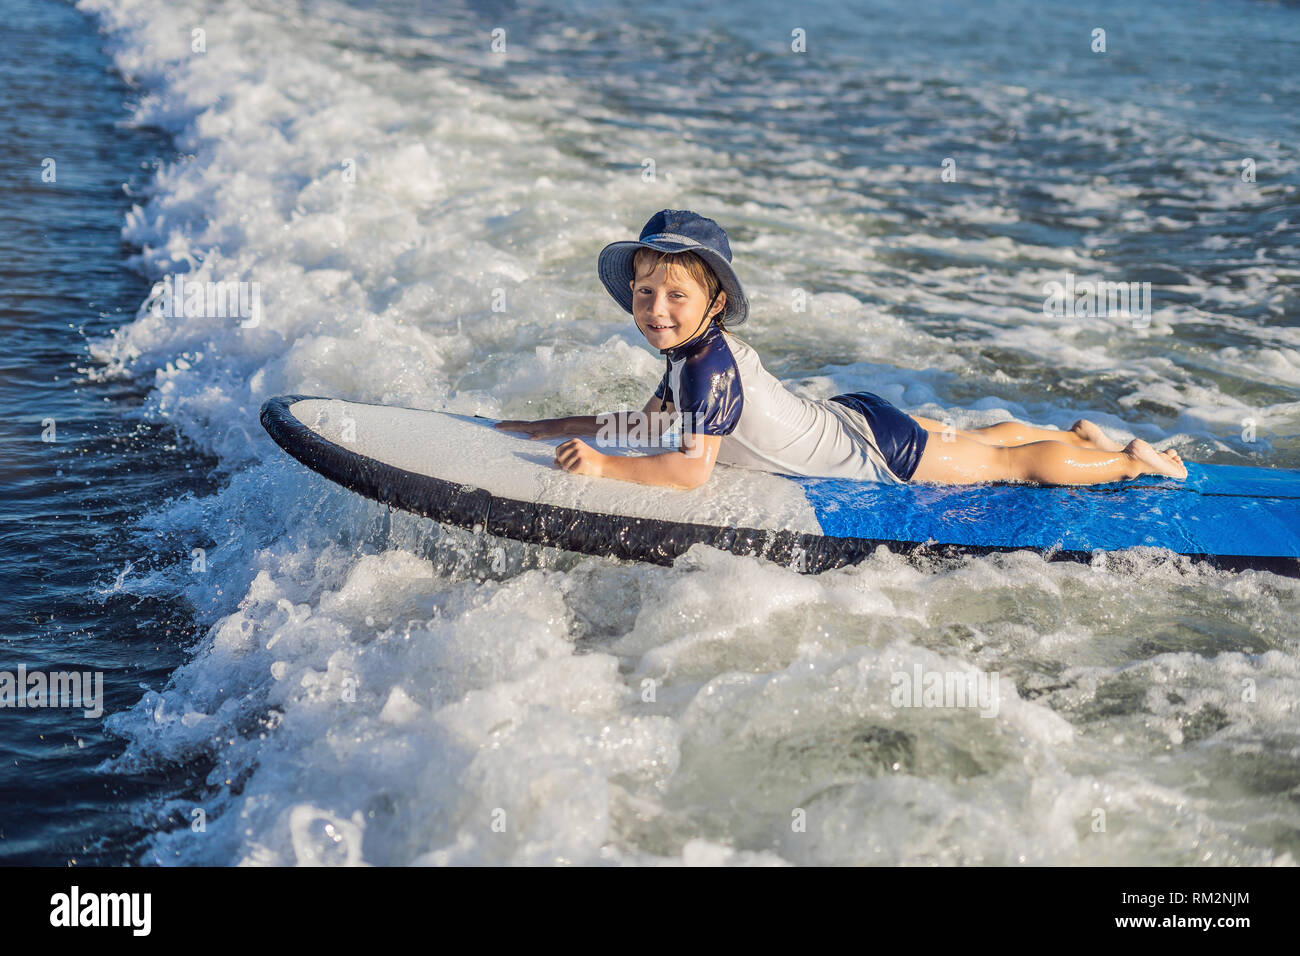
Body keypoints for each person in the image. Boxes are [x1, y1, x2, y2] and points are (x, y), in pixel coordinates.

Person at [494, 209, 1187, 490]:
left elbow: (688, 474)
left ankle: (1124, 459)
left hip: (876, 449)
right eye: (646, 294)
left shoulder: (706, 367)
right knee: (981, 440)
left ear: (714, 305)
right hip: (853, 416)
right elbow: (646, 422)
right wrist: (552, 427)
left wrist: (604, 468)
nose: (655, 309)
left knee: (1017, 466)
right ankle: (1074, 431)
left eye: (676, 296)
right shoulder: (690, 354)